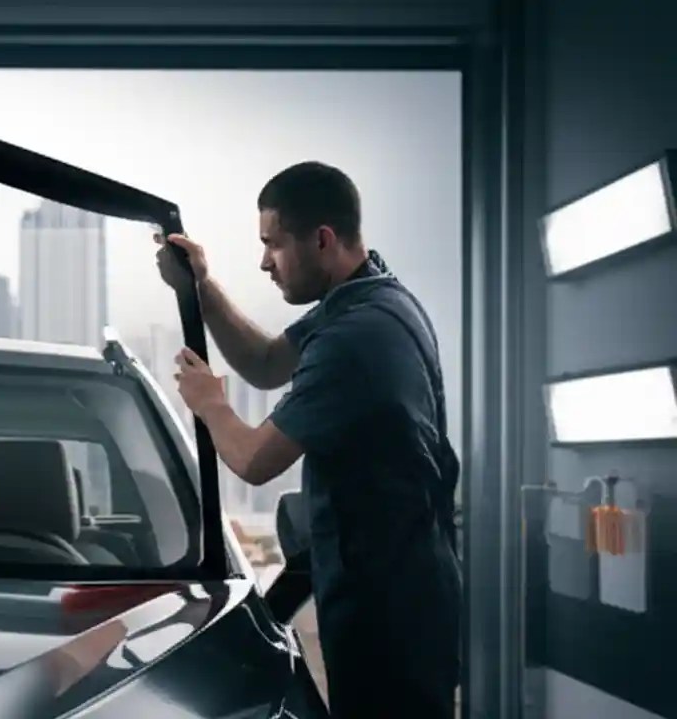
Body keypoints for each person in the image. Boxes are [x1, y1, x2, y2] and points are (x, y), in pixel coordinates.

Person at [157, 161, 462, 718]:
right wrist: (201, 287)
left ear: (322, 239)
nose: (264, 262)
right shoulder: (371, 300)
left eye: (273, 244)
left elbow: (252, 459)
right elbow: (268, 362)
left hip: (389, 610)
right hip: (398, 591)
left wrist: (209, 404)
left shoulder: (355, 339)